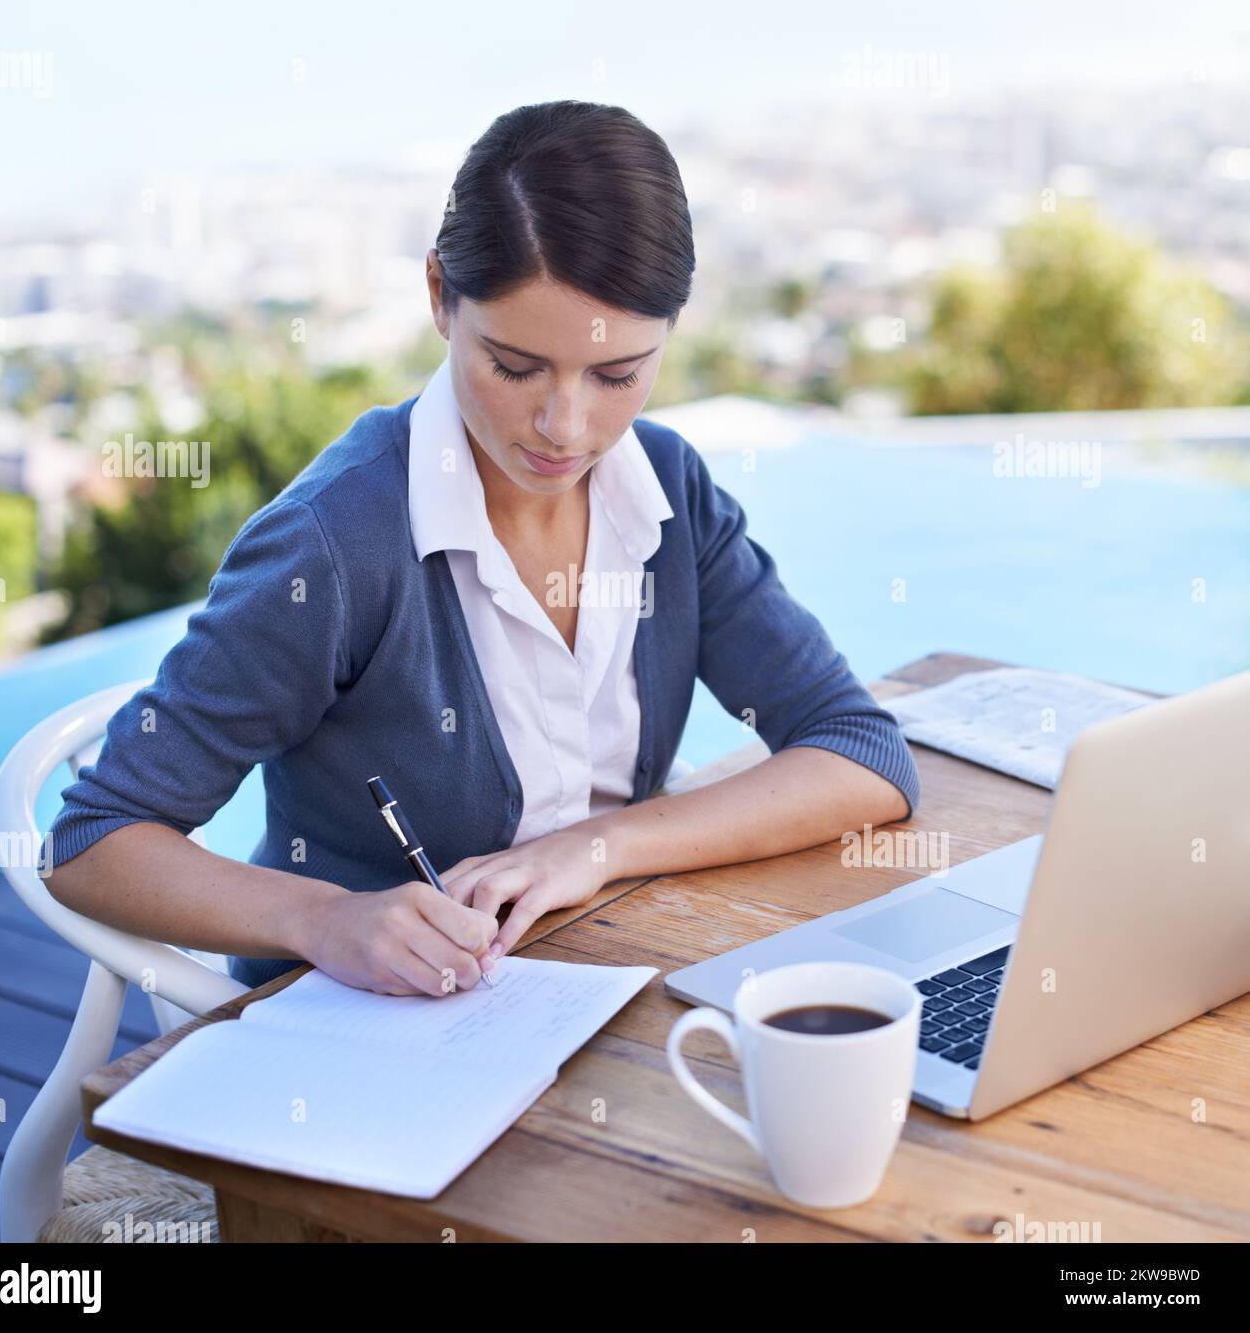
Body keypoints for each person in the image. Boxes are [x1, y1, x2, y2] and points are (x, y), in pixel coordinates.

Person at [46, 99, 920, 997]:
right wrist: (320, 917)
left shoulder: (666, 490)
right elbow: (93, 842)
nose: (565, 428)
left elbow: (860, 753)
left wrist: (597, 848)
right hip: (367, 1030)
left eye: (618, 374)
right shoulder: (337, 545)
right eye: (515, 366)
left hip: (603, 979)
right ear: (439, 298)